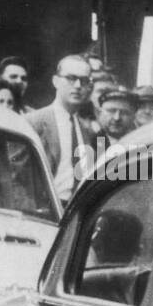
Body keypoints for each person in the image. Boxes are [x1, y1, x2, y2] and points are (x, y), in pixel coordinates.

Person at [25, 54, 96, 206]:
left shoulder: (87, 131)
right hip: (42, 211)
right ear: (55, 81)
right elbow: (18, 178)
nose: (78, 85)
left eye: (84, 81)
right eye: (71, 78)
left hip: (73, 211)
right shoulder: (33, 122)